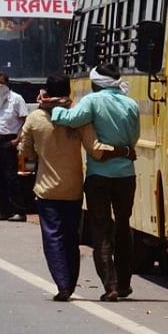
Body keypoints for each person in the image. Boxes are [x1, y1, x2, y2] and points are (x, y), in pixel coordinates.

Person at [20, 73, 134, 301]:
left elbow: (26, 152)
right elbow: (96, 149)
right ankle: (71, 281)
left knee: (53, 237)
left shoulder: (34, 119)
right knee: (72, 237)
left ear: (45, 92)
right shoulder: (79, 118)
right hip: (73, 190)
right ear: (69, 92)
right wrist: (124, 151)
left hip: (46, 190)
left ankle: (64, 284)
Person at [49, 62, 140, 301]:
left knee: (101, 230)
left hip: (99, 175)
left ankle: (110, 286)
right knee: (123, 226)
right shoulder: (131, 104)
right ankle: (124, 284)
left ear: (96, 83)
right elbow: (134, 137)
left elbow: (71, 119)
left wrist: (54, 108)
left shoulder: (92, 101)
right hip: (126, 175)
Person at [0, 71, 30, 222]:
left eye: (2, 83)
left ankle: (19, 211)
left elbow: (24, 120)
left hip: (9, 140)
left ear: (7, 83)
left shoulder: (17, 99)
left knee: (11, 177)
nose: (0, 86)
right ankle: (4, 211)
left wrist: (17, 139)